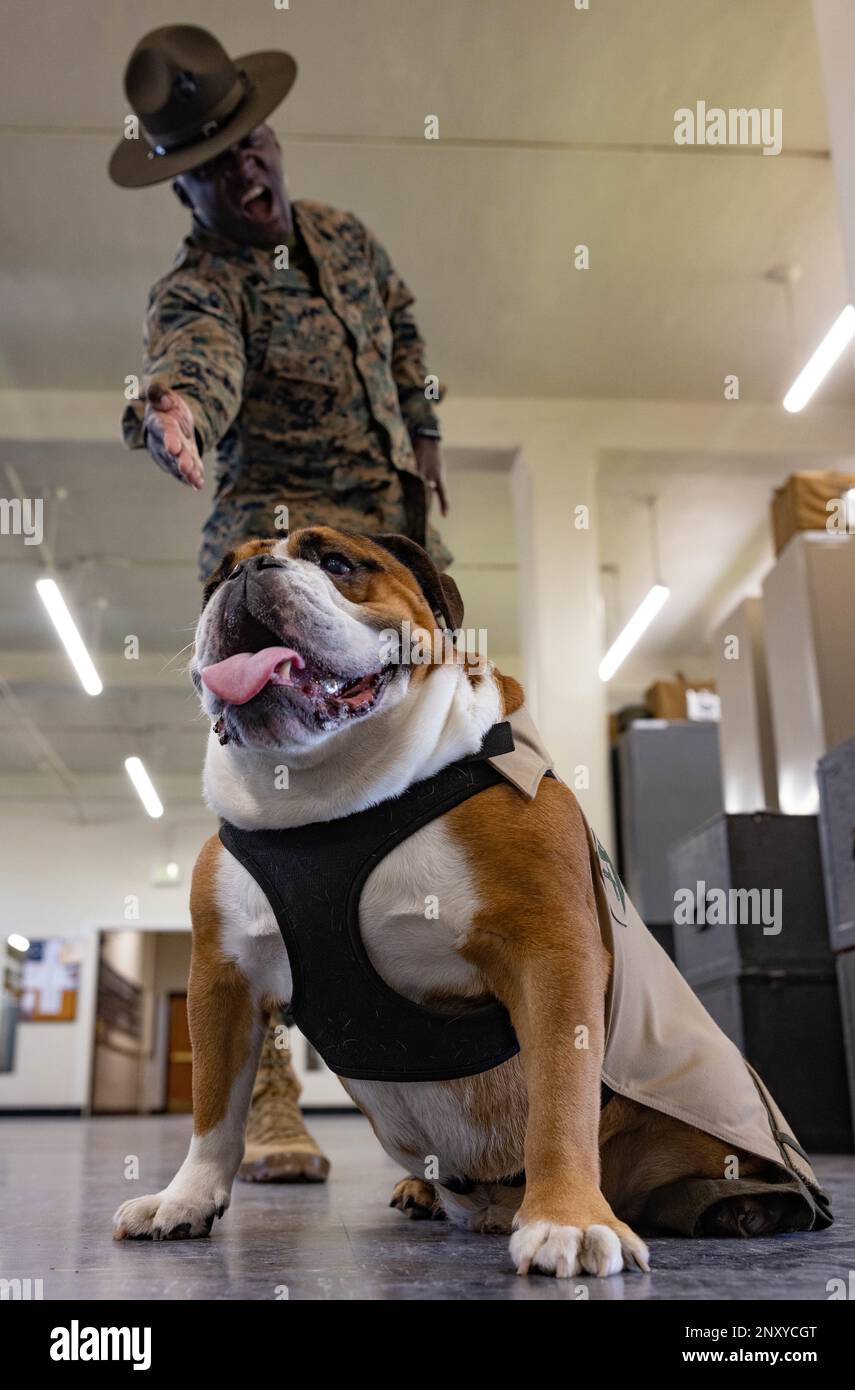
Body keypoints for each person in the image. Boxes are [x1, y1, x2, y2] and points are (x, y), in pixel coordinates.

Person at [111, 24, 451, 1182]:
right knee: (268, 818)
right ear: (180, 180)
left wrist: (431, 436)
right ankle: (264, 1098)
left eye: (251, 143)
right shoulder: (203, 285)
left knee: (438, 794)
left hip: (389, 555)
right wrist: (175, 413)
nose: (244, 173)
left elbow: (403, 336)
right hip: (274, 565)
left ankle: (448, 1091)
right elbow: (189, 361)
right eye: (210, 164)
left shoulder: (346, 237)